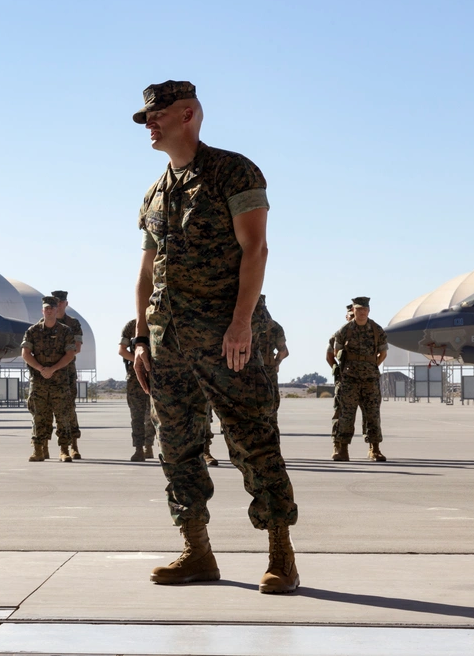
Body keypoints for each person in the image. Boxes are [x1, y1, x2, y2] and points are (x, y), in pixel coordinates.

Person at [131, 80, 298, 593]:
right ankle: (197, 552)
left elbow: (256, 249)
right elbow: (147, 271)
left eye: (158, 115)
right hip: (168, 342)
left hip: (228, 337)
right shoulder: (156, 192)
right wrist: (141, 339)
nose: (149, 124)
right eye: (146, 117)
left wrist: (242, 322)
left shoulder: (233, 171)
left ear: (188, 114)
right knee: (177, 447)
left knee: (253, 440)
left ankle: (281, 555)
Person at [327, 297, 388, 462]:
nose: (362, 312)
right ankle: (342, 449)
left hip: (370, 379)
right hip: (349, 379)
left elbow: (383, 353)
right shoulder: (344, 330)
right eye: (359, 309)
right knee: (346, 414)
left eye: (365, 309)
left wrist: (371, 365)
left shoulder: (377, 330)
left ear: (369, 310)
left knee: (373, 414)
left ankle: (374, 449)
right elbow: (335, 352)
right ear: (353, 310)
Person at [21, 296, 77, 461]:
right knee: (39, 417)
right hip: (39, 382)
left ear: (57, 310)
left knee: (62, 416)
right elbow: (25, 353)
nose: (49, 311)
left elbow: (70, 354)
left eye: (52, 308)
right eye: (46, 308)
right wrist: (41, 369)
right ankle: (38, 450)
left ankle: (64, 450)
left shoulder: (65, 331)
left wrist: (53, 369)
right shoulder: (32, 331)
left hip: (59, 382)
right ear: (42, 310)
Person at [51, 291, 84, 459]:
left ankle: (74, 445)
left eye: (61, 302)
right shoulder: (45, 323)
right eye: (55, 302)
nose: (58, 305)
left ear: (66, 303)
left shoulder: (73, 323)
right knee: (45, 410)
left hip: (67, 371)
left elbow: (77, 348)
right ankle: (42, 447)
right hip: (49, 372)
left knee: (69, 408)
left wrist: (58, 357)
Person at [120, 318, 155, 461]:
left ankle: (149, 446)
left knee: (153, 415)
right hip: (136, 378)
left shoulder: (159, 321)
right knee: (137, 415)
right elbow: (122, 350)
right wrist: (139, 361)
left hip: (157, 377)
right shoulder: (131, 326)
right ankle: (139, 448)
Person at [329, 304, 355, 449]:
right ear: (346, 317)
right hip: (345, 380)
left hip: (365, 380)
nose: (353, 318)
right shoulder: (339, 334)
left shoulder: (373, 332)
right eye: (351, 316)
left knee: (371, 415)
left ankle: (374, 448)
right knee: (340, 414)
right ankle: (338, 445)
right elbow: (329, 355)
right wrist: (337, 369)